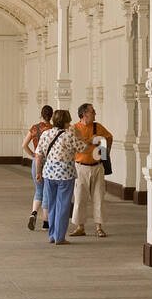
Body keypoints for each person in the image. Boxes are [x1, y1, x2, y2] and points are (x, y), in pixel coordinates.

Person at [36, 109, 80, 245]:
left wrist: (38, 173)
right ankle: (60, 237)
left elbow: (38, 155)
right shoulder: (69, 135)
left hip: (49, 173)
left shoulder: (45, 134)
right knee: (63, 205)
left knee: (52, 204)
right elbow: (82, 148)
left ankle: (52, 236)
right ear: (66, 121)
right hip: (66, 175)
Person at [70, 102, 113, 238]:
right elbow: (74, 146)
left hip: (97, 166)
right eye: (92, 111)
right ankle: (80, 226)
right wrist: (90, 140)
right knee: (80, 198)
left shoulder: (97, 126)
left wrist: (106, 153)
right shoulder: (74, 128)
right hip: (80, 167)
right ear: (84, 114)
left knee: (99, 197)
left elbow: (109, 137)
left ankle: (99, 227)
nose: (94, 113)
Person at [22, 105, 52, 231]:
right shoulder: (53, 129)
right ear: (51, 116)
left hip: (36, 161)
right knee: (47, 192)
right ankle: (46, 223)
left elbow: (24, 145)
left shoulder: (34, 128)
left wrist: (33, 155)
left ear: (41, 114)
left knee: (38, 190)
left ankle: (34, 212)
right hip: (50, 162)